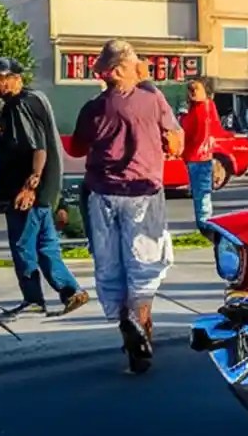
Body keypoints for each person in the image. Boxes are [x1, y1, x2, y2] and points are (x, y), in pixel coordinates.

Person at [68, 40, 182, 374]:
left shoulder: (94, 107)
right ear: (120, 70)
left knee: (110, 266)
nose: (143, 67)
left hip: (101, 193)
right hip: (143, 193)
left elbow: (76, 148)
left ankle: (127, 331)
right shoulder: (153, 99)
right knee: (144, 264)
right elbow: (176, 142)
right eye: (137, 63)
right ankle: (140, 321)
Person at [0, 57, 90, 318]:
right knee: (46, 245)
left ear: (7, 78)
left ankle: (33, 299)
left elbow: (38, 147)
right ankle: (71, 291)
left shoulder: (19, 105)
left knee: (22, 245)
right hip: (47, 189)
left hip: (29, 190)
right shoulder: (34, 98)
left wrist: (30, 184)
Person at [180, 78, 216, 231]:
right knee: (199, 193)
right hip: (195, 156)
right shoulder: (196, 108)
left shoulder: (204, 107)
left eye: (196, 89)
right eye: (190, 89)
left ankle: (205, 225)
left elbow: (202, 133)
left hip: (199, 156)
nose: (192, 93)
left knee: (201, 193)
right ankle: (204, 224)